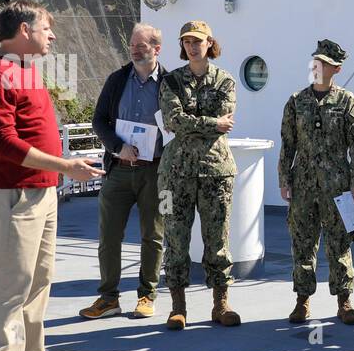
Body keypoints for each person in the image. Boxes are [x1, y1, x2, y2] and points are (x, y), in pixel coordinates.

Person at [0, 0, 102, 351]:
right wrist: (66, 166)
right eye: (46, 28)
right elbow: (4, 143)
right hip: (13, 193)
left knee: (39, 279)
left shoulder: (24, 72)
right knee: (10, 283)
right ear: (24, 31)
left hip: (40, 191)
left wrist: (56, 174)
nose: (53, 35)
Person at [279, 39, 354, 325]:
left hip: (338, 186)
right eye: (315, 62)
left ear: (336, 69)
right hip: (304, 184)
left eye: (324, 64)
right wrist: (285, 178)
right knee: (303, 243)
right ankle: (302, 301)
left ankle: (344, 302)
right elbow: (288, 144)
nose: (317, 67)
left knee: (339, 244)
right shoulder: (297, 101)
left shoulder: (347, 102)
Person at [80, 23, 168, 320]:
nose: (134, 49)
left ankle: (147, 295)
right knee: (109, 236)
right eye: (132, 44)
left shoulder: (170, 83)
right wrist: (118, 146)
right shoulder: (117, 80)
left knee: (153, 235)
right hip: (119, 169)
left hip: (154, 172)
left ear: (156, 49)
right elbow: (99, 120)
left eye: (141, 46)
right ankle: (108, 298)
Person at [158, 20, 240, 330]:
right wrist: (211, 124)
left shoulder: (226, 81)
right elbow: (172, 119)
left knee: (218, 240)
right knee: (174, 240)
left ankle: (221, 304)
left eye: (198, 41)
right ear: (182, 46)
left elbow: (227, 120)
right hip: (173, 175)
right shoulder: (171, 82)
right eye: (187, 41)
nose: (193, 46)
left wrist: (193, 122)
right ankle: (178, 307)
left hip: (216, 173)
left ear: (209, 44)